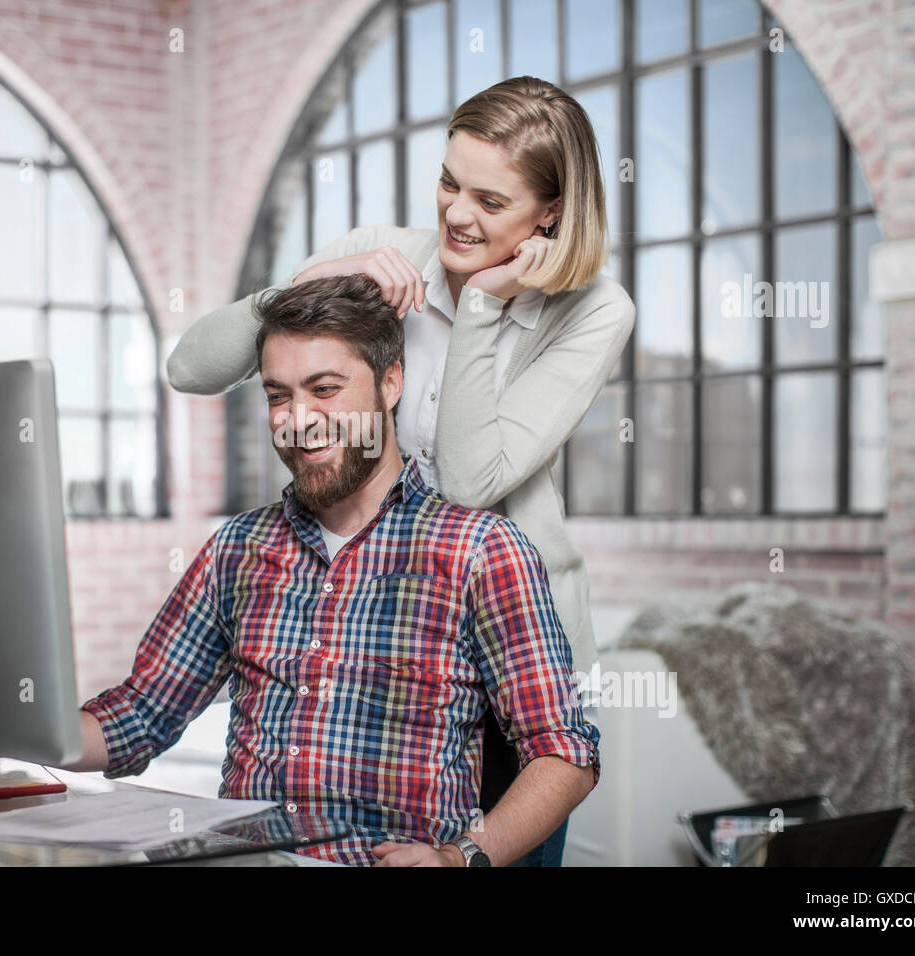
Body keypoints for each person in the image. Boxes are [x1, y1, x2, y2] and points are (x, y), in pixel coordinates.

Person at [165, 76, 634, 865]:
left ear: (550, 212)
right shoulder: (374, 255)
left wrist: (481, 306)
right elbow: (191, 367)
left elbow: (469, 483)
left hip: (512, 656)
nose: (454, 212)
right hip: (380, 645)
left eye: (491, 201)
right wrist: (301, 290)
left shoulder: (594, 311)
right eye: (450, 182)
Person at [69, 274, 600, 867]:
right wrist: (13, 737)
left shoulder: (481, 551)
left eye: (325, 389)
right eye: (278, 396)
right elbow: (141, 715)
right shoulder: (238, 548)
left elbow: (565, 753)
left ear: (391, 382)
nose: (299, 419)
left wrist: (460, 857)